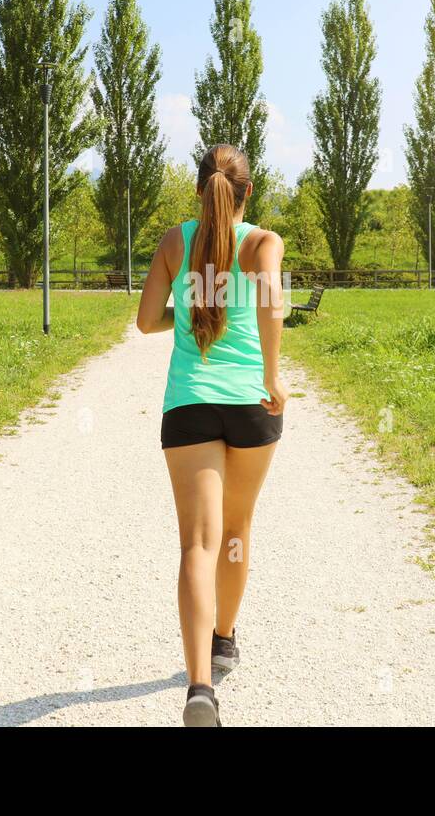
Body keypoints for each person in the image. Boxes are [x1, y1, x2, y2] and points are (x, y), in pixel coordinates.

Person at [136, 143, 289, 727]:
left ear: (200, 191)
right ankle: (225, 637)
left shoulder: (176, 242)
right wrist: (272, 374)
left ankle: (200, 686)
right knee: (235, 529)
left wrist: (191, 306)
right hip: (252, 406)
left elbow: (146, 320)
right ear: (247, 192)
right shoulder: (262, 244)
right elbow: (274, 302)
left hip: (190, 407)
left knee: (196, 543)